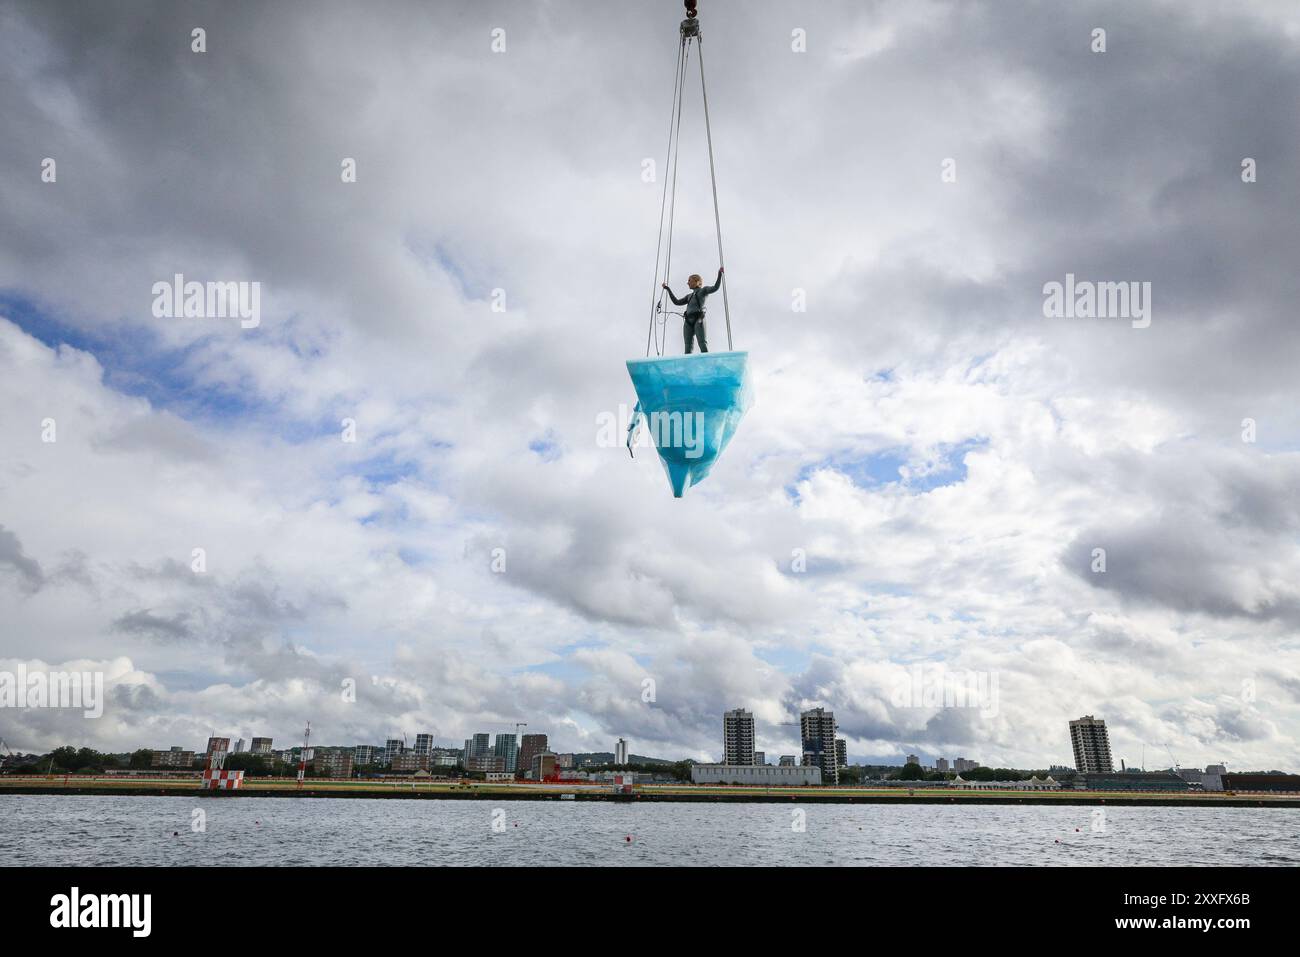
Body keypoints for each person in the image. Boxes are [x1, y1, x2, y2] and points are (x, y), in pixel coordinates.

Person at [662, 267, 723, 354]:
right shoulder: (688, 296)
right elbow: (676, 302)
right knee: (687, 347)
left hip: (698, 319)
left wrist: (719, 274)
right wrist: (667, 289)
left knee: (702, 344)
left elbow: (715, 287)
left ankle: (707, 362)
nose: (688, 283)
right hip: (688, 321)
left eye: (689, 280)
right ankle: (688, 365)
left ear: (697, 281)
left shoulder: (703, 291)